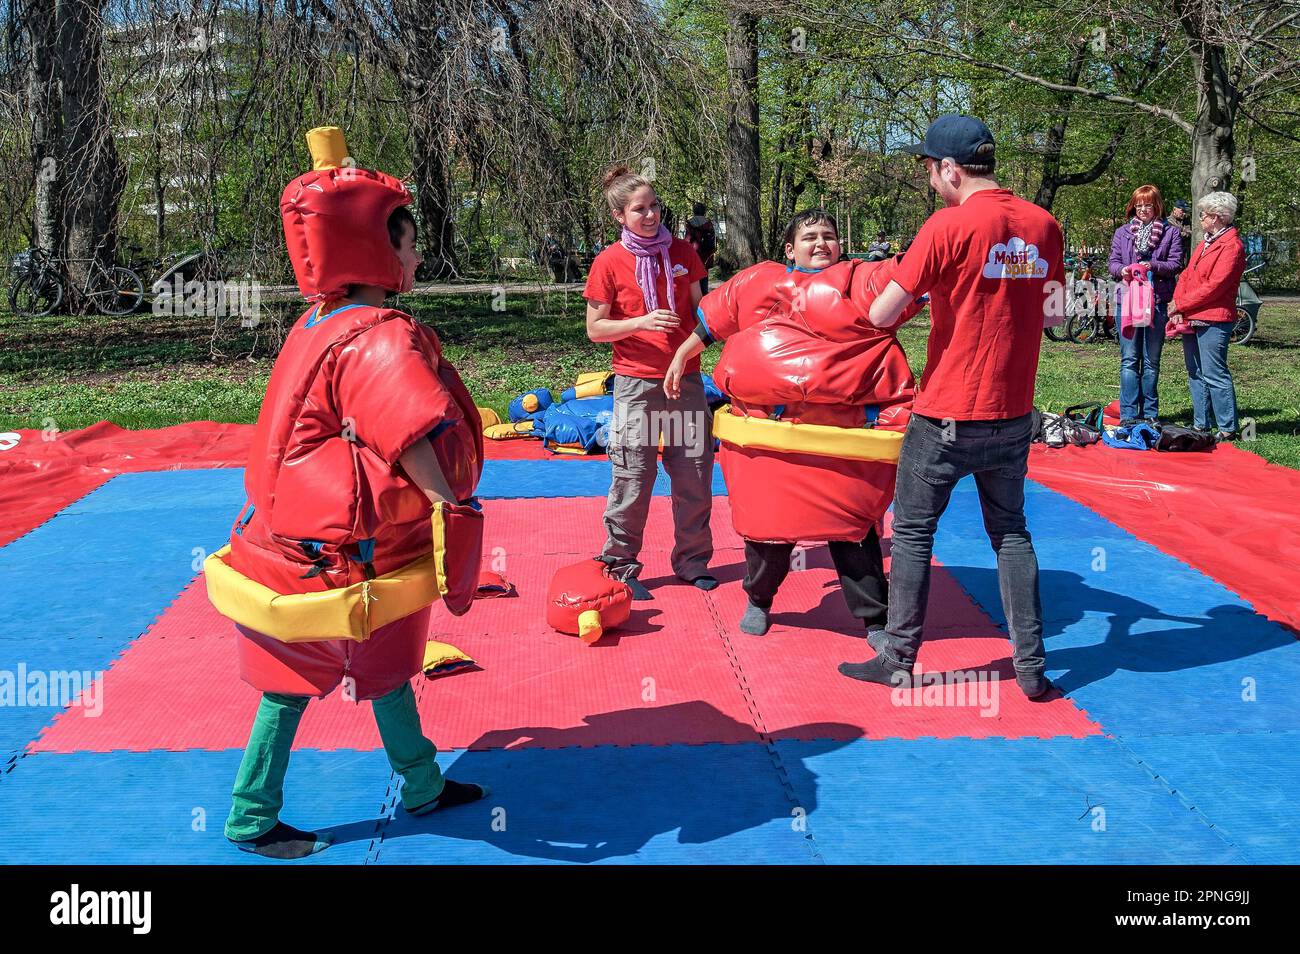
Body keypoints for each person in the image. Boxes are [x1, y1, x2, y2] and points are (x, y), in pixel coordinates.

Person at [214, 128, 488, 860]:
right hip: (333, 556)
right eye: (407, 242)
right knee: (292, 684)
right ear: (376, 249)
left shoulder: (315, 319)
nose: (418, 256)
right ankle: (250, 817)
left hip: (290, 538)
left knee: (390, 665)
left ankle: (422, 783)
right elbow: (412, 431)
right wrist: (448, 511)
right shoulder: (378, 334)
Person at [837, 115, 1064, 700]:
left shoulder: (945, 226)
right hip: (1012, 412)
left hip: (946, 412)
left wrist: (937, 290)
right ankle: (1032, 668)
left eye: (929, 170)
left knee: (912, 534)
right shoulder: (1045, 225)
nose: (930, 181)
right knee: (1011, 534)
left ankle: (899, 659)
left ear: (949, 169)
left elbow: (881, 314)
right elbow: (1058, 315)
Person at [663, 210, 918, 636]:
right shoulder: (758, 282)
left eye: (829, 236)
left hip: (841, 437)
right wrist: (680, 356)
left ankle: (874, 618)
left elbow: (910, 274)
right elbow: (713, 323)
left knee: (853, 531)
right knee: (767, 531)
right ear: (789, 249)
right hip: (769, 435)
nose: (821, 244)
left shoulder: (859, 282)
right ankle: (759, 599)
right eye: (810, 237)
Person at [584, 165, 715, 601]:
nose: (651, 215)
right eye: (640, 209)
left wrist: (708, 335)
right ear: (620, 215)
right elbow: (596, 329)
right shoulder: (609, 261)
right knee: (633, 475)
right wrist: (642, 321)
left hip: (686, 380)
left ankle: (693, 562)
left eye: (655, 206)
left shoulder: (684, 253)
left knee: (693, 472)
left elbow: (703, 314)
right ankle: (620, 564)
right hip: (636, 385)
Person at [1168, 191, 1246, 442]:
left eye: (1204, 214)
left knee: (1214, 372)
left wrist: (1182, 303)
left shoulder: (1232, 246)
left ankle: (1227, 427)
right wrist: (1177, 305)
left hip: (1214, 317)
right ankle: (1201, 423)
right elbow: (1187, 275)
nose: (1200, 218)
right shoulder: (1205, 242)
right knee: (1195, 371)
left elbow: (1215, 286)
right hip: (1193, 314)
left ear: (1218, 217)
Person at [1108, 185, 1183, 426]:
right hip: (1128, 302)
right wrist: (1124, 270)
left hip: (1157, 303)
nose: (1142, 209)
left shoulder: (1171, 233)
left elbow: (1175, 264)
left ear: (1157, 206)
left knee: (1151, 360)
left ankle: (1150, 413)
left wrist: (1153, 265)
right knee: (1129, 359)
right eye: (1138, 205)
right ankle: (1129, 415)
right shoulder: (1122, 233)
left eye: (1147, 205)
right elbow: (1113, 264)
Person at [684, 202, 717, 293]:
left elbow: (688, 239)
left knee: (694, 273)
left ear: (694, 211)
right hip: (706, 253)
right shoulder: (708, 223)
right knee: (704, 273)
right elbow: (713, 238)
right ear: (704, 211)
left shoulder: (690, 223)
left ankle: (696, 294)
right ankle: (704, 293)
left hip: (694, 252)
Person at [1169, 200, 1193, 266]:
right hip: (1174, 256)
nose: (1184, 214)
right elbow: (1177, 235)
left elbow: (1191, 233)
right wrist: (1185, 233)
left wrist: (1184, 232)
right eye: (1182, 211)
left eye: (1185, 211)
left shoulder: (1187, 220)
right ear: (1174, 209)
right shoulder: (1169, 221)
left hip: (1187, 255)